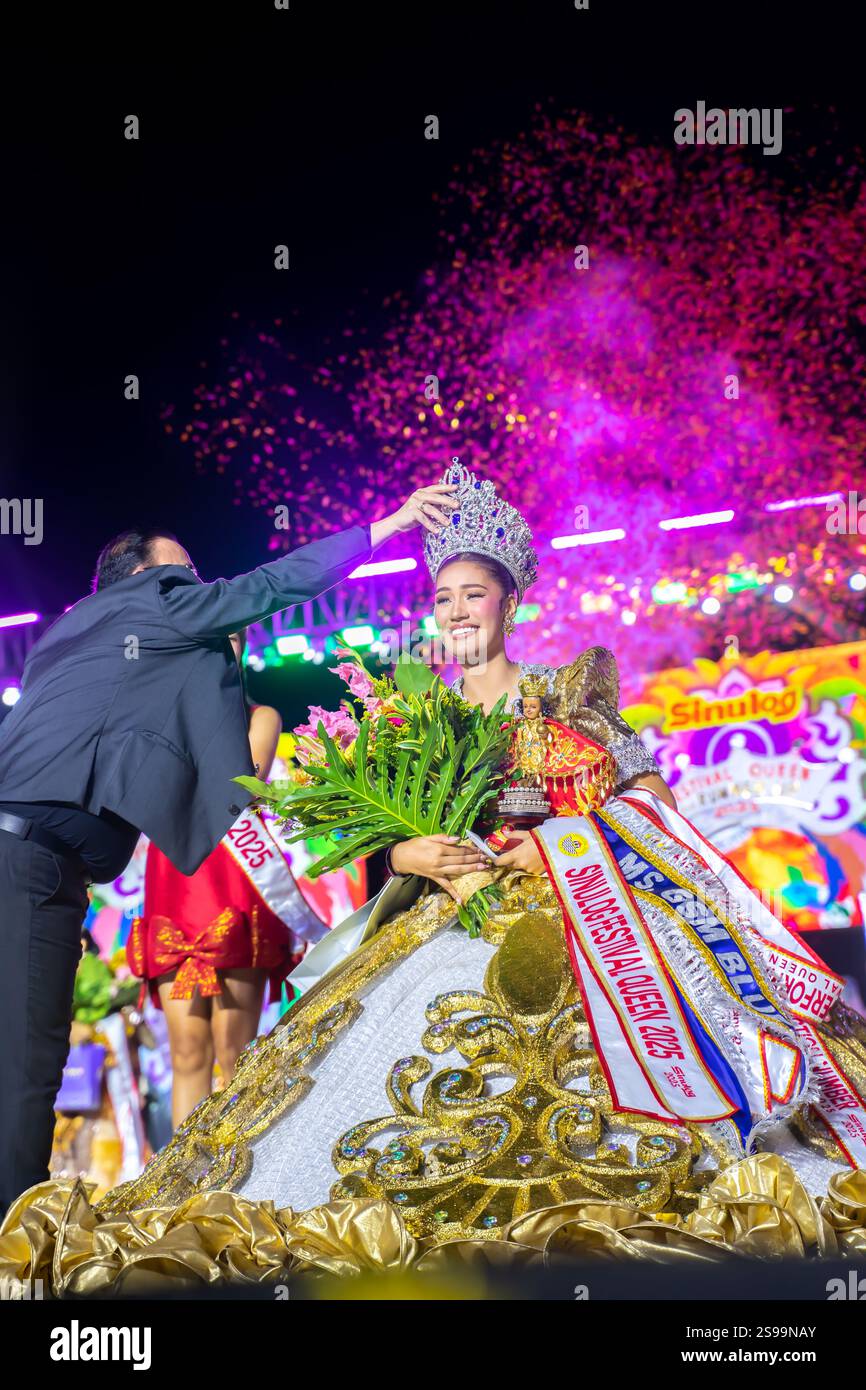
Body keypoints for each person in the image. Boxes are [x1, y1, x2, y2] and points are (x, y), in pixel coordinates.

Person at [3, 461, 866, 1290]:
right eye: (443, 596)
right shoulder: (414, 714)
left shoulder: (567, 690)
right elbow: (379, 842)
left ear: (510, 602)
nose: (456, 611)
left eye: (473, 594)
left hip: (587, 918)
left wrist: (561, 844)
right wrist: (407, 855)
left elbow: (646, 798)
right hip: (440, 919)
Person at [0, 481, 458, 1218]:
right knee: (23, 1070)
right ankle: (10, 1255)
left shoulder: (67, 637)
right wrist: (389, 525)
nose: (199, 591)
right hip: (29, 865)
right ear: (150, 578)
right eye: (185, 575)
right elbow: (271, 586)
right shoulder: (159, 601)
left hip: (37, 862)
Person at [126, 630, 313, 1129]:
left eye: (229, 636)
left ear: (242, 647)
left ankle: (235, 1191)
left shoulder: (261, 718)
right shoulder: (158, 716)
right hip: (174, 884)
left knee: (236, 1055)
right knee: (186, 1053)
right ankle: (182, 1191)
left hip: (234, 882)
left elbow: (239, 784)